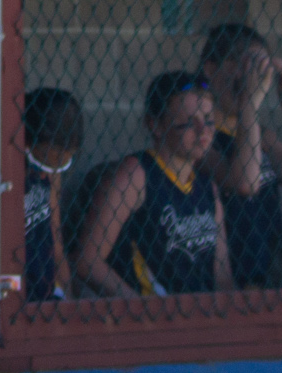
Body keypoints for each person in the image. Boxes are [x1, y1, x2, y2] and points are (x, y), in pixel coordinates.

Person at [76, 70, 231, 298]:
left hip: (201, 314)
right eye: (190, 122)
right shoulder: (136, 175)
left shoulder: (207, 186)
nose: (203, 130)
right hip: (154, 314)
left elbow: (223, 275)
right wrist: (138, 308)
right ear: (156, 125)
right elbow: (87, 261)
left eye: (208, 120)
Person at [198, 24, 282, 288]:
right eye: (241, 64)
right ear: (211, 69)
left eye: (257, 67)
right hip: (229, 275)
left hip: (270, 272)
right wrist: (249, 100)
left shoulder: (263, 137)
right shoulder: (199, 138)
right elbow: (245, 182)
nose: (249, 76)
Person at [22, 87, 82, 300]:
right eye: (48, 160)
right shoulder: (11, 169)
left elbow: (55, 240)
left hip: (44, 279)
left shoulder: (52, 173)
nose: (51, 171)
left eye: (63, 162)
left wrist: (68, 298)